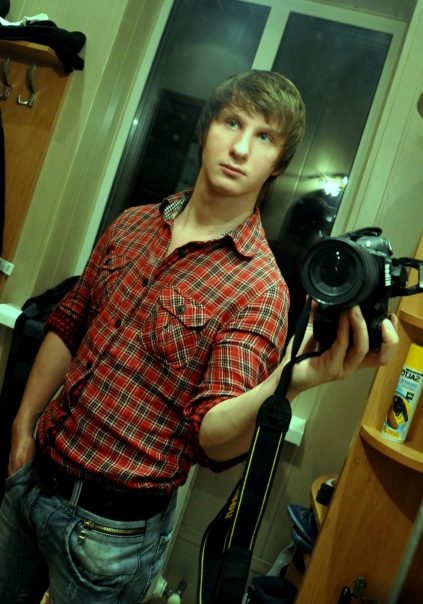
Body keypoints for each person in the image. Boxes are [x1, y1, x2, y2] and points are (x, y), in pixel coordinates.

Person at [0, 70, 398, 603]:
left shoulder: (260, 289)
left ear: (278, 164)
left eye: (263, 136)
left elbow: (214, 439)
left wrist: (294, 380)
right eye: (231, 123)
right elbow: (71, 322)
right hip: (30, 480)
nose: (240, 148)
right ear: (206, 128)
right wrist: (23, 423)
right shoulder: (133, 224)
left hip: (110, 535)